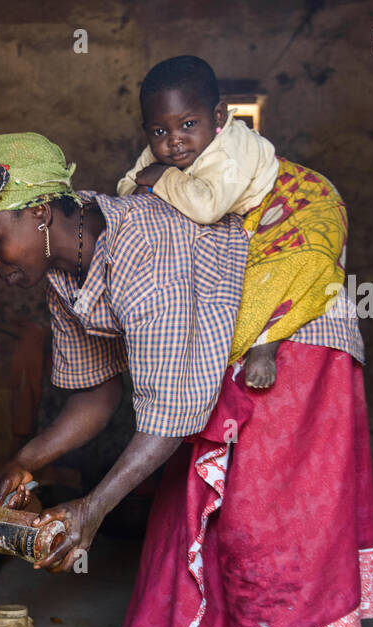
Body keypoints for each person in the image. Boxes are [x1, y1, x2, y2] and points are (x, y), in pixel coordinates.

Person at [0, 131, 373, 627]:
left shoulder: (143, 252)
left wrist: (90, 509)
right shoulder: (66, 274)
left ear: (38, 213)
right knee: (181, 523)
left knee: (250, 536)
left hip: (290, 344)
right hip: (215, 367)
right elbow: (97, 395)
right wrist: (25, 460)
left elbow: (173, 417)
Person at [117, 55, 348, 392]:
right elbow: (126, 191)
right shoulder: (159, 152)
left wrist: (162, 178)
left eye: (189, 125)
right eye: (159, 130)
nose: (174, 140)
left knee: (285, 269)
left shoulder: (230, 149)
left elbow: (207, 206)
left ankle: (264, 348)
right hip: (252, 215)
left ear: (218, 116)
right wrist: (144, 184)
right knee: (237, 274)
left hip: (302, 204)